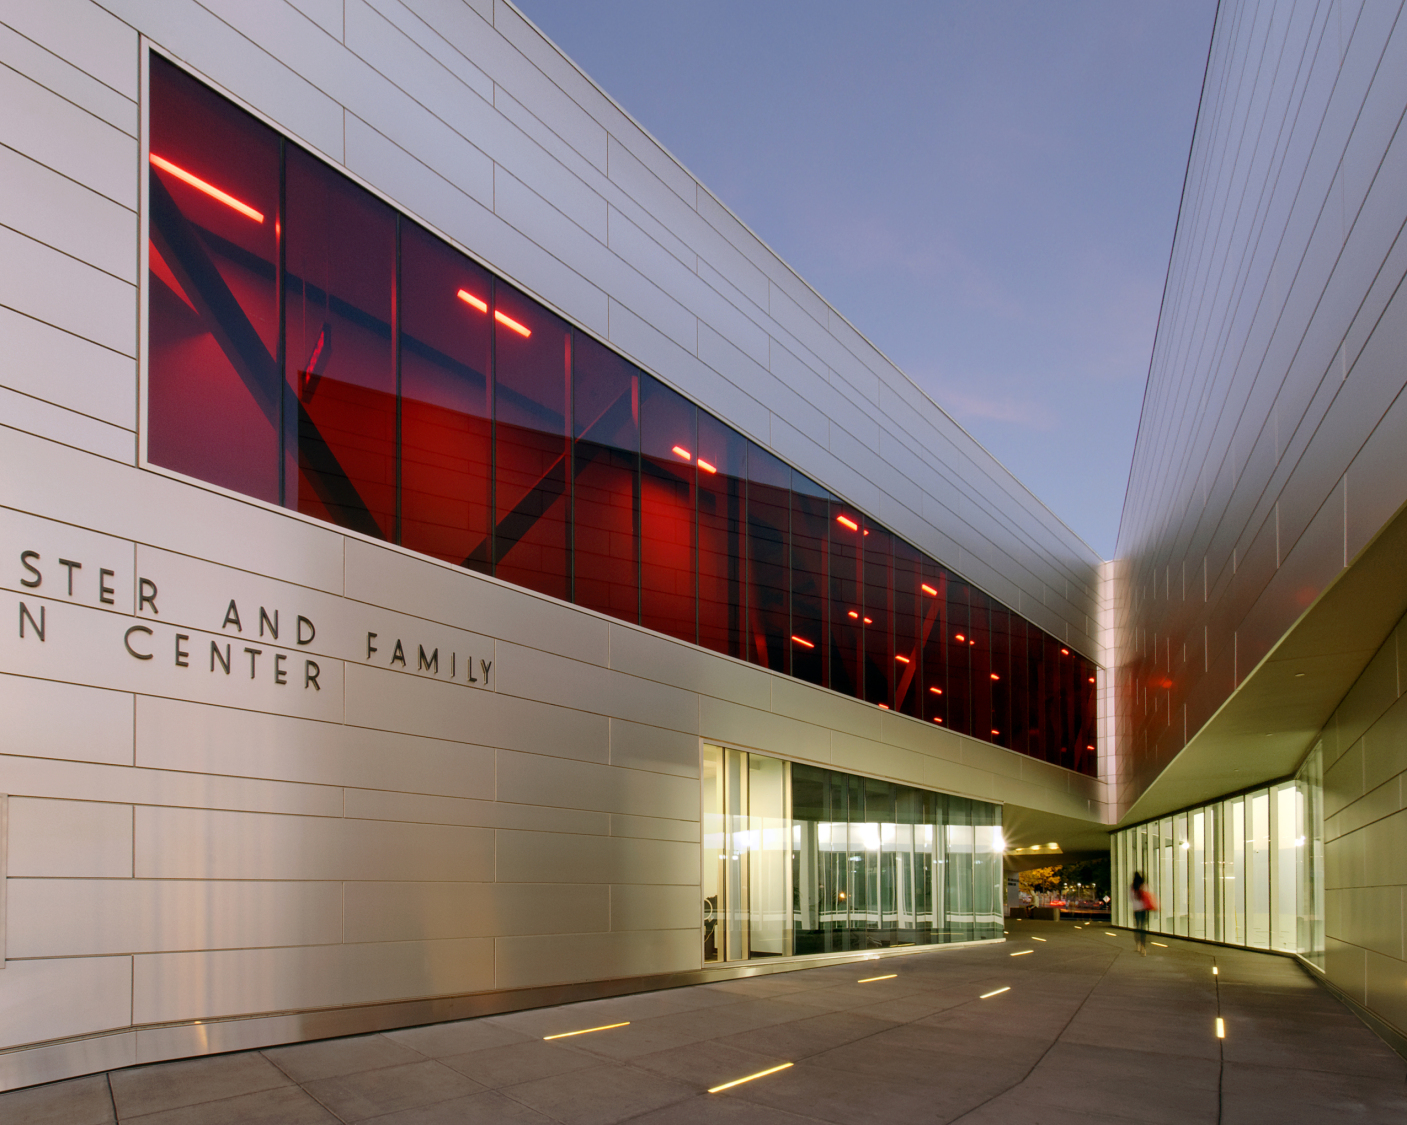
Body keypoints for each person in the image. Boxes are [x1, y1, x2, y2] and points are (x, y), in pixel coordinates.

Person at [1130, 872, 1157, 954]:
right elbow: (1149, 896)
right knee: (1143, 928)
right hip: (1144, 909)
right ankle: (1143, 947)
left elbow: (1131, 898)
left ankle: (1138, 945)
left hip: (1136, 910)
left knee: (1137, 927)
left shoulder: (1132, 887)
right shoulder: (1144, 885)